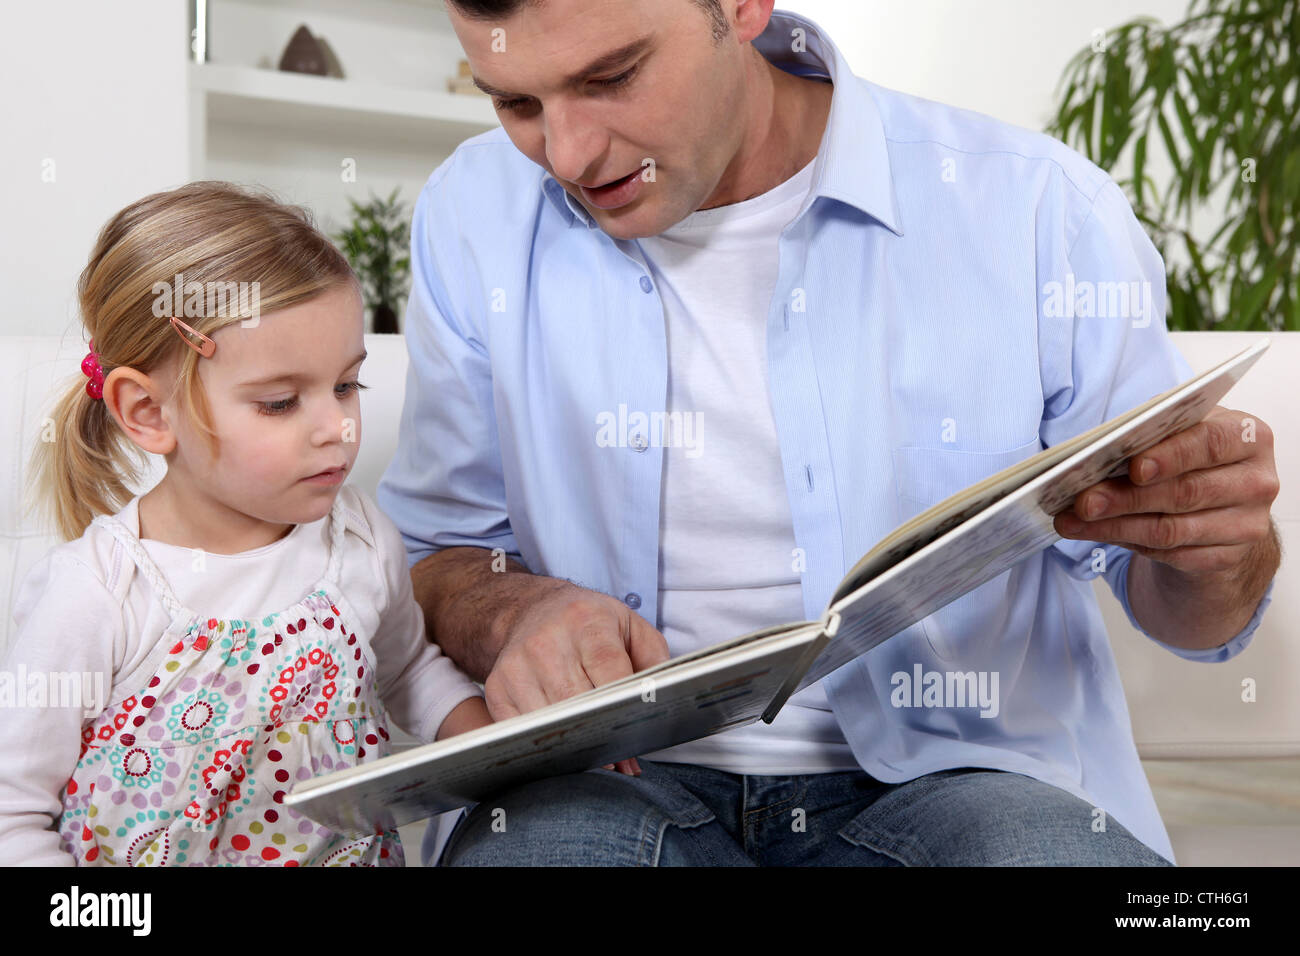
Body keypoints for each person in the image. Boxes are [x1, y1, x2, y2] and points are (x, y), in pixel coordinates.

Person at [377, 1, 1281, 866]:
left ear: (743, 6)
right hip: (599, 783)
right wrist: (513, 613)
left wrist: (1213, 553)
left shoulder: (1040, 210)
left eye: (613, 76)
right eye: (517, 102)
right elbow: (436, 554)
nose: (567, 153)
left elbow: (1192, 621)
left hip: (974, 775)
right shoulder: (474, 213)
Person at [0, 182, 492, 866]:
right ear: (147, 412)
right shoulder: (95, 595)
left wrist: (520, 752)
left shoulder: (358, 541)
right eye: (281, 402)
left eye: (348, 385)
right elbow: (12, 819)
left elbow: (409, 670)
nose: (338, 428)